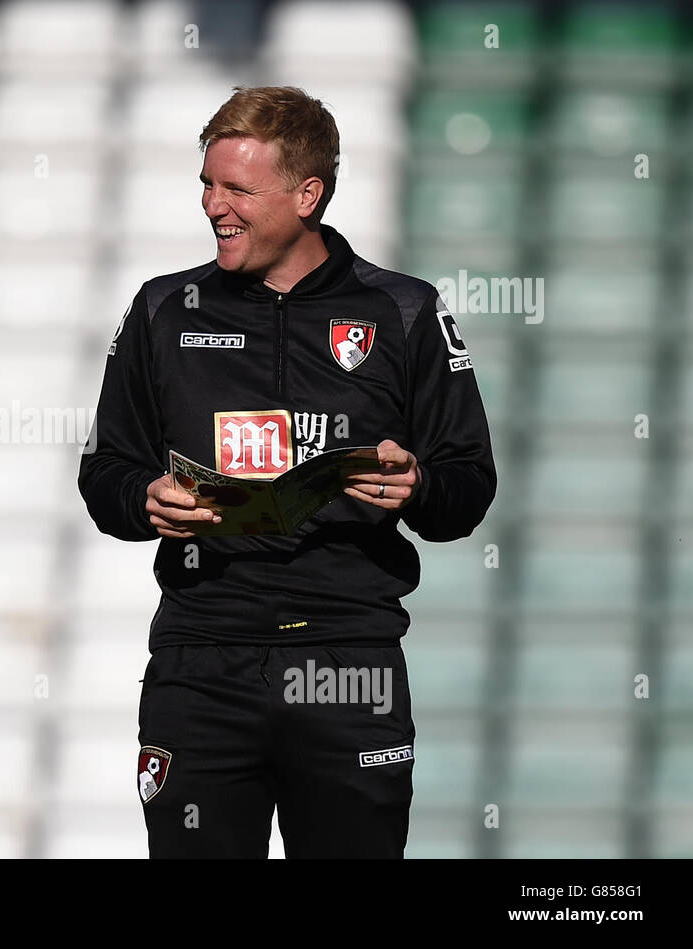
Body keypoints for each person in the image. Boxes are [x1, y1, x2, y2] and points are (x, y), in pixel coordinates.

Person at [78, 86, 496, 858]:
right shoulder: (165, 308)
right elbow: (105, 469)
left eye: (237, 188)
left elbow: (468, 483)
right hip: (200, 660)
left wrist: (421, 486)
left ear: (308, 194)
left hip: (348, 664)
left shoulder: (403, 311)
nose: (214, 205)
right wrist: (144, 499)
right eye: (207, 183)